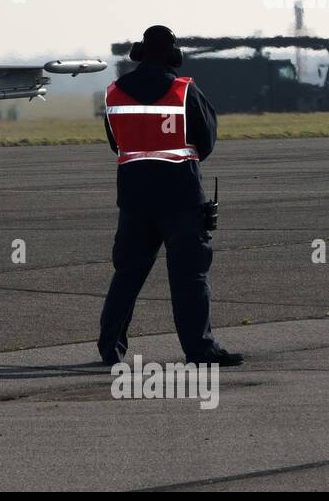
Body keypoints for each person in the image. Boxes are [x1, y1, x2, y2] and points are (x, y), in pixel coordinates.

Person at [98, 25, 243, 366]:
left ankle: (110, 349)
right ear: (174, 54)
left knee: (127, 275)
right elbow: (205, 140)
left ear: (140, 52)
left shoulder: (114, 93)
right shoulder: (183, 90)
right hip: (181, 198)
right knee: (189, 277)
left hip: (134, 200)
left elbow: (116, 144)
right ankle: (200, 350)